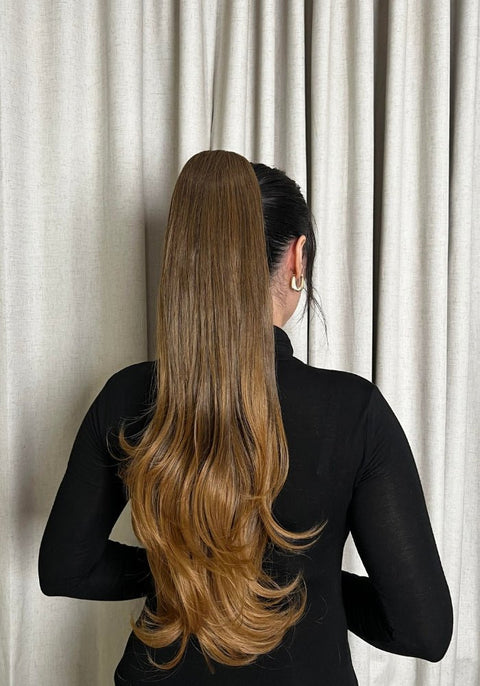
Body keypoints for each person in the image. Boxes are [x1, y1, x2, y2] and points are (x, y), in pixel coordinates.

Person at [38, 150, 453, 685]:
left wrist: (195, 574)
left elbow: (66, 567)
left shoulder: (127, 395)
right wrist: (299, 580)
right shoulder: (353, 412)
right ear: (298, 258)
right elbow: (423, 631)